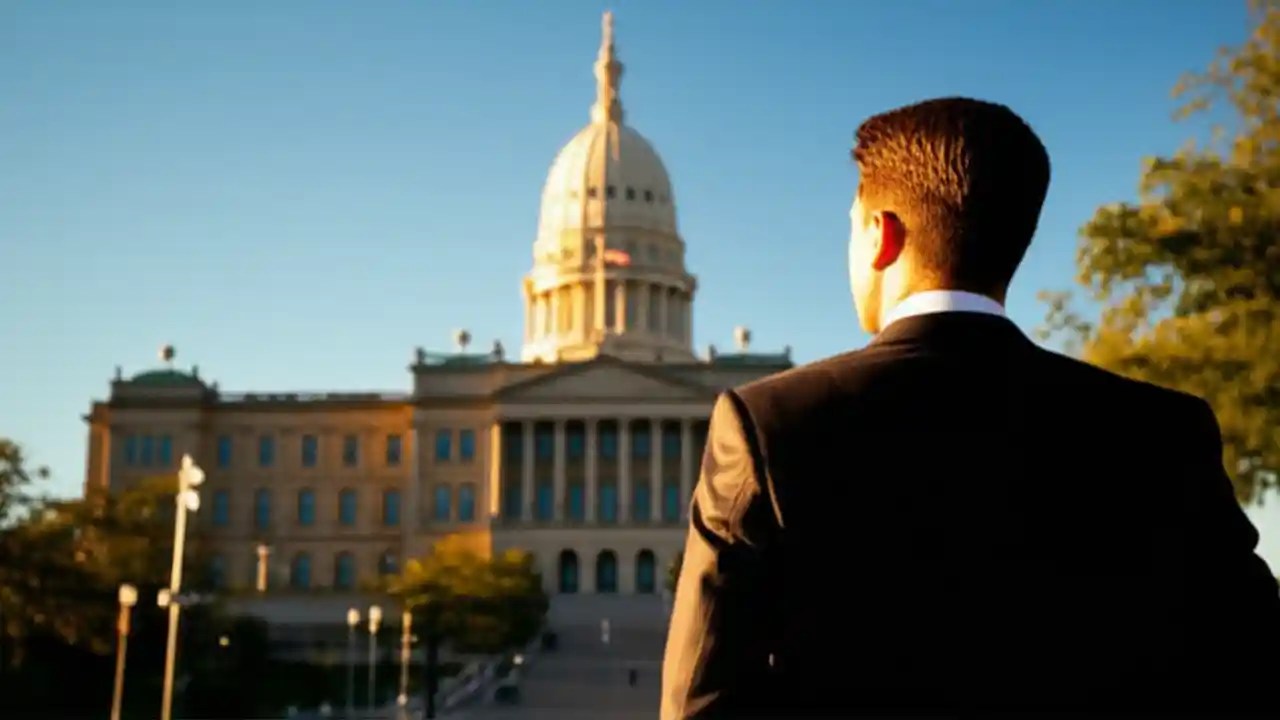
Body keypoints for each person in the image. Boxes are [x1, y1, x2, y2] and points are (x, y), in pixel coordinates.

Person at [660, 97, 1280, 718]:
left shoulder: (769, 425)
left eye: (851, 228)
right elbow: (1250, 669)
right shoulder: (1162, 435)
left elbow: (702, 701)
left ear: (882, 236)